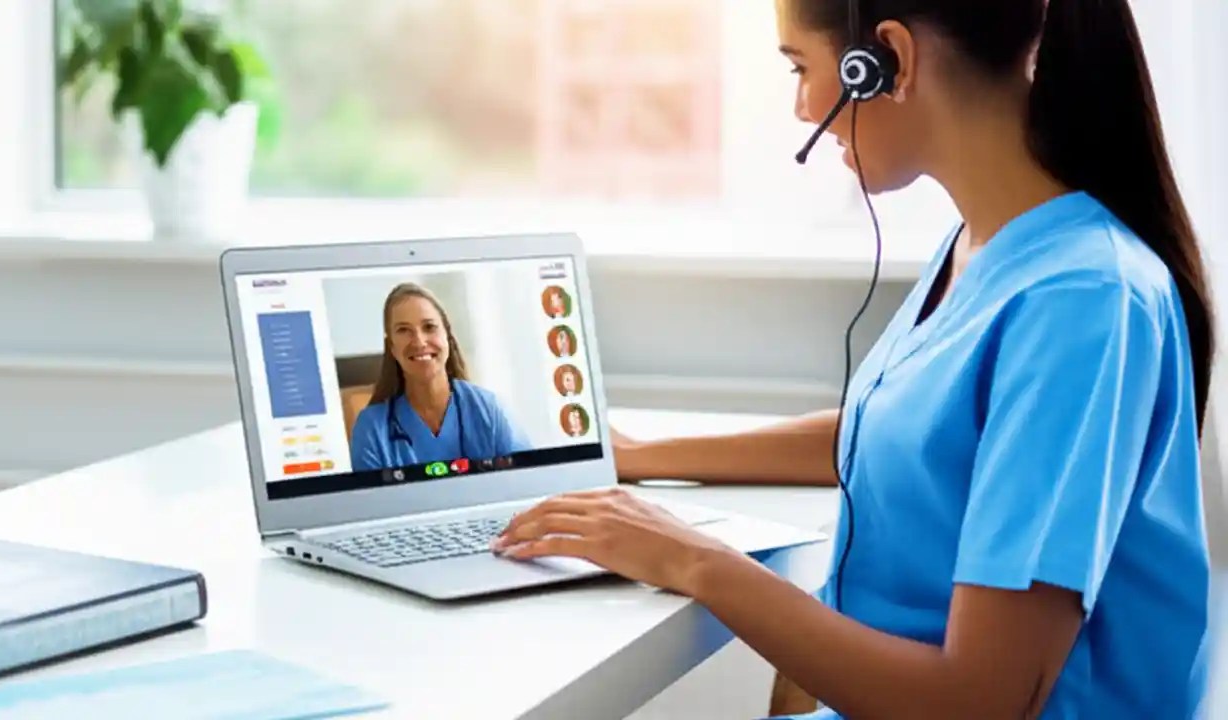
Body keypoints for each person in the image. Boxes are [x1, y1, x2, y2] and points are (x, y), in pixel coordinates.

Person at [493, 1, 1215, 717]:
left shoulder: (1082, 300)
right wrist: (643, 456)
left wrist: (693, 561)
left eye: (802, 67)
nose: (805, 107)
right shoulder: (982, 245)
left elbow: (981, 703)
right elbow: (908, 431)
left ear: (887, 61)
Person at [350, 283, 532, 471]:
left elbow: (526, 483)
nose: (419, 341)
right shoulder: (371, 429)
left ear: (448, 337)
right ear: (392, 348)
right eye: (403, 330)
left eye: (429, 327)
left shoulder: (489, 410)